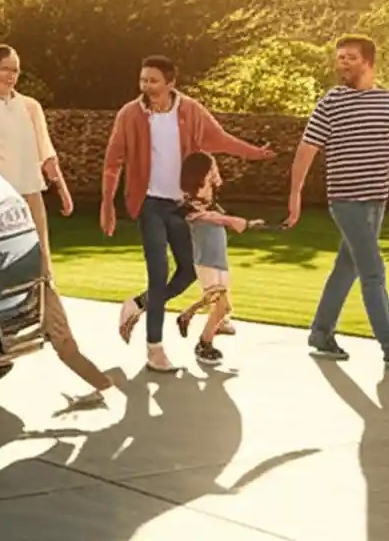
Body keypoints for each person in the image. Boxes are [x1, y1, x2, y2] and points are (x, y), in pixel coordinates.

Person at [0, 44, 118, 409]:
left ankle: (69, 351)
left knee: (43, 272)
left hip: (31, 199)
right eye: (5, 70)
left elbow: (46, 154)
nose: (11, 76)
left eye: (16, 70)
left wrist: (61, 190)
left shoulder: (30, 107)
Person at [101, 55, 274, 372]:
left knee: (187, 273)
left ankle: (136, 305)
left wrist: (255, 153)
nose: (146, 86)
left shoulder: (190, 111)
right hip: (150, 204)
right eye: (143, 80)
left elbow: (221, 140)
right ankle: (154, 348)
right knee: (157, 272)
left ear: (170, 83)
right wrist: (107, 205)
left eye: (153, 80)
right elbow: (113, 162)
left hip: (181, 206)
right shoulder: (130, 114)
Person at [284, 34, 389, 379]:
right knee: (373, 272)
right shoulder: (330, 102)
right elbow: (306, 151)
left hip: (377, 200)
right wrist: (295, 194)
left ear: (368, 61)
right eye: (339, 58)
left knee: (347, 266)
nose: (342, 63)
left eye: (349, 57)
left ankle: (321, 332)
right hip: (346, 201)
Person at [173, 151, 265, 365]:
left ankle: (189, 316)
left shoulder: (209, 202)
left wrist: (246, 223)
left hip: (218, 259)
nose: (216, 173)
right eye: (211, 169)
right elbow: (209, 218)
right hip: (207, 261)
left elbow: (216, 216)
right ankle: (204, 344)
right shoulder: (190, 206)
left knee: (221, 305)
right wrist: (236, 221)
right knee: (221, 306)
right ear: (200, 175)